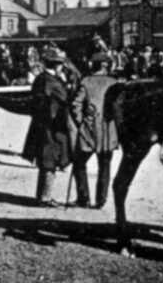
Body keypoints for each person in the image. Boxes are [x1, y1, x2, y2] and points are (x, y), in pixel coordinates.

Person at [21, 47, 73, 207]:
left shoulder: (41, 78)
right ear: (57, 65)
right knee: (49, 159)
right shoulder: (52, 82)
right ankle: (44, 197)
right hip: (50, 126)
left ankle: (43, 195)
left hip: (41, 124)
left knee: (47, 159)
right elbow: (64, 100)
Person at [69, 52, 119, 209]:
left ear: (93, 65)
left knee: (79, 162)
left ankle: (83, 198)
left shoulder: (86, 81)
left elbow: (76, 104)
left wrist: (80, 121)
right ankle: (101, 200)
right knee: (105, 165)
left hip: (89, 129)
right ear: (106, 66)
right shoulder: (114, 82)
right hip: (109, 130)